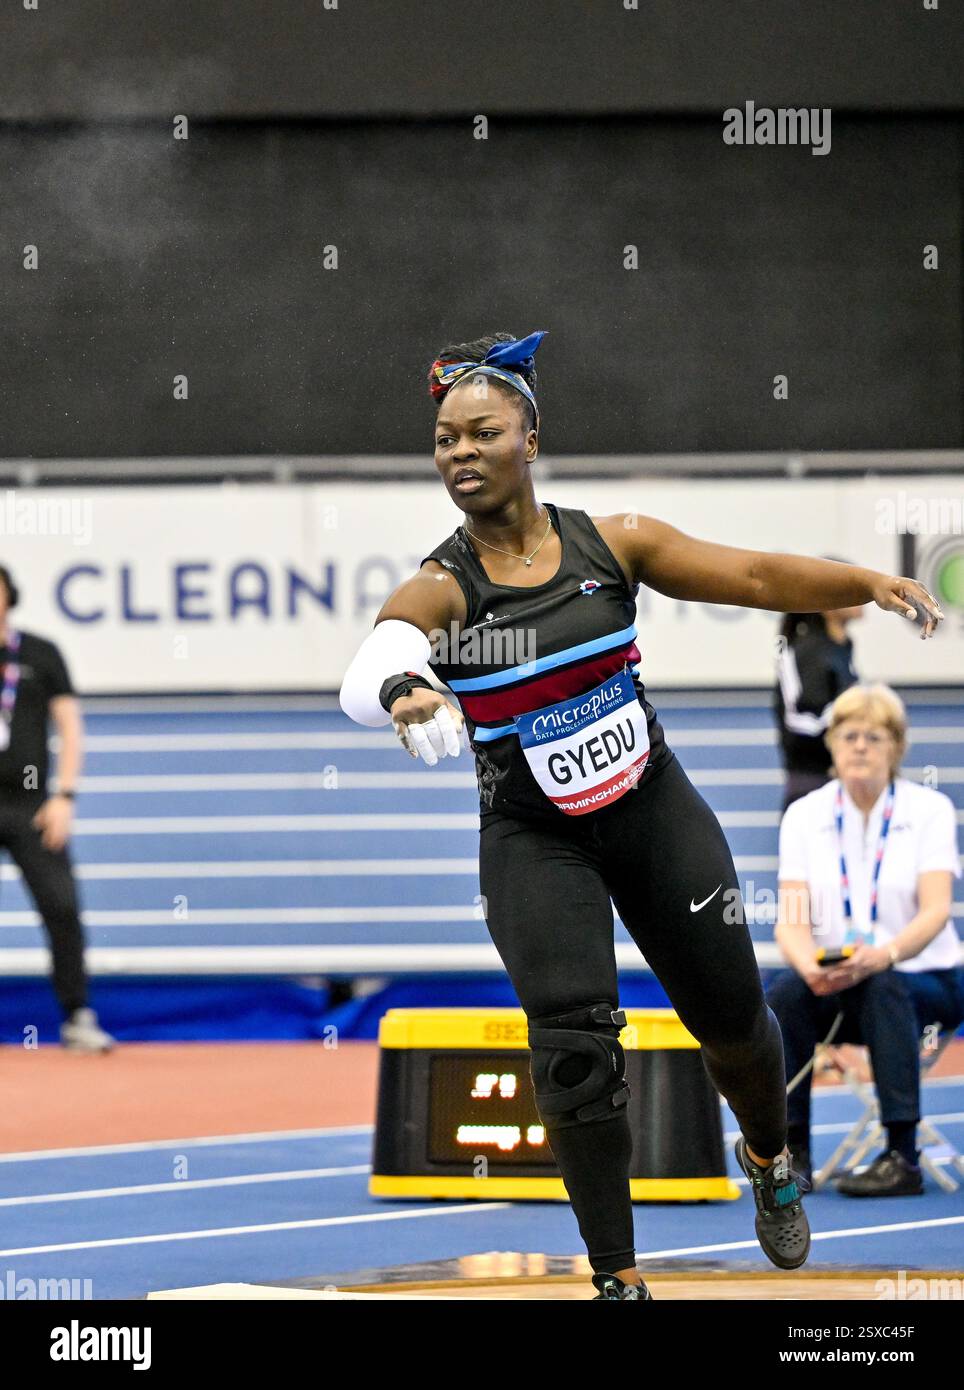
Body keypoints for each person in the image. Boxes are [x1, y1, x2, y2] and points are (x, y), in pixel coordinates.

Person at [338, 330, 944, 1299]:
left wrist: (860, 583)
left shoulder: (611, 542)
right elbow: (371, 664)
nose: (457, 453)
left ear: (528, 437)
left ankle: (767, 1160)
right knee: (574, 1045)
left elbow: (751, 577)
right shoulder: (445, 585)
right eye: (443, 439)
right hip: (533, 836)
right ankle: (616, 1277)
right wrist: (409, 689)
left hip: (651, 808)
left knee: (734, 1023)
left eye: (479, 432)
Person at [769, 683, 963, 1195]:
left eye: (873, 737)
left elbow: (937, 909)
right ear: (831, 744)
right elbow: (790, 921)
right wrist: (809, 966)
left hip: (927, 982)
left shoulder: (929, 810)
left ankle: (902, 1155)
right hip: (837, 982)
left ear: (895, 747)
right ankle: (791, 1152)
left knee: (883, 985)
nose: (859, 746)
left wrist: (886, 955)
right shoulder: (804, 815)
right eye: (849, 735)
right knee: (785, 991)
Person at [0, 565, 114, 1052]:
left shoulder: (40, 654)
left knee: (62, 908)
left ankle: (76, 1016)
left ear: (10, 596)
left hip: (32, 807)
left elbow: (69, 726)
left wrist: (64, 796)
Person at [774, 583, 864, 812]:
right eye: (853, 590)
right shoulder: (809, 650)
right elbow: (797, 721)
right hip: (810, 782)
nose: (863, 597)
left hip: (841, 778)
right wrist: (852, 713)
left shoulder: (843, 646)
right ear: (828, 606)